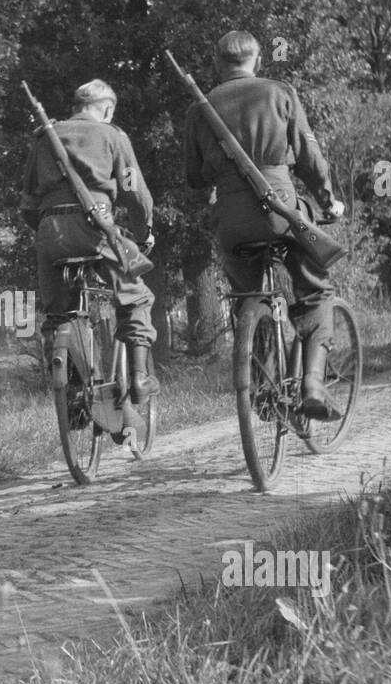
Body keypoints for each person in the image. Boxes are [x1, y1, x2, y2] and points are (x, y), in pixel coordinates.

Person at [184, 31, 345, 420]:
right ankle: (312, 383)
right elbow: (309, 156)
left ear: (218, 65)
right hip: (281, 211)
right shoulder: (279, 91)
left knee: (248, 297)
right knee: (317, 293)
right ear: (256, 60)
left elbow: (193, 178)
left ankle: (263, 389)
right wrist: (328, 201)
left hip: (231, 223)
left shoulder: (198, 110)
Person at [20, 79, 159, 402]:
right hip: (95, 228)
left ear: (76, 106)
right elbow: (134, 192)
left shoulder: (44, 137)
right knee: (135, 297)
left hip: (49, 230)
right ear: (107, 109)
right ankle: (139, 380)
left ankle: (72, 391)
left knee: (58, 315)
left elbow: (28, 202)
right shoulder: (113, 136)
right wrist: (144, 232)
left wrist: (47, 234)